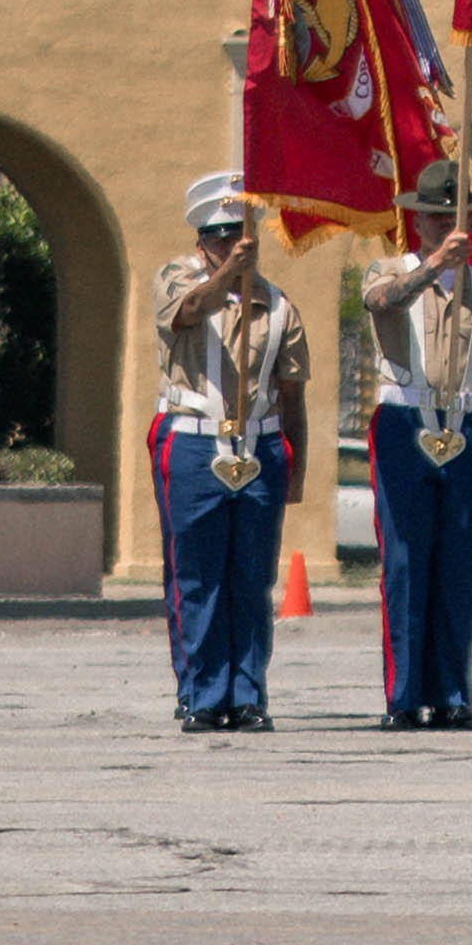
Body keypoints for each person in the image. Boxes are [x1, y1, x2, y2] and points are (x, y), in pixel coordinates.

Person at [352, 157, 472, 731]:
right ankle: (404, 696)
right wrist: (432, 270)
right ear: (416, 222)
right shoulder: (388, 269)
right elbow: (381, 303)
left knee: (458, 566)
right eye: (435, 218)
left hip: (464, 425)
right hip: (405, 419)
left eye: (455, 217)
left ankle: (450, 694)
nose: (445, 227)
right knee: (404, 562)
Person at [148, 171, 307, 734]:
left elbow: (292, 395)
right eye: (218, 239)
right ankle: (202, 693)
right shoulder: (177, 278)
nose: (228, 248)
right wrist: (225, 276)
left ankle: (246, 693)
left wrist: (296, 470)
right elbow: (188, 311)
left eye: (237, 238)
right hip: (194, 440)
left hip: (258, 446)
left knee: (250, 580)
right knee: (198, 577)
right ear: (202, 242)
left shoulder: (279, 304)